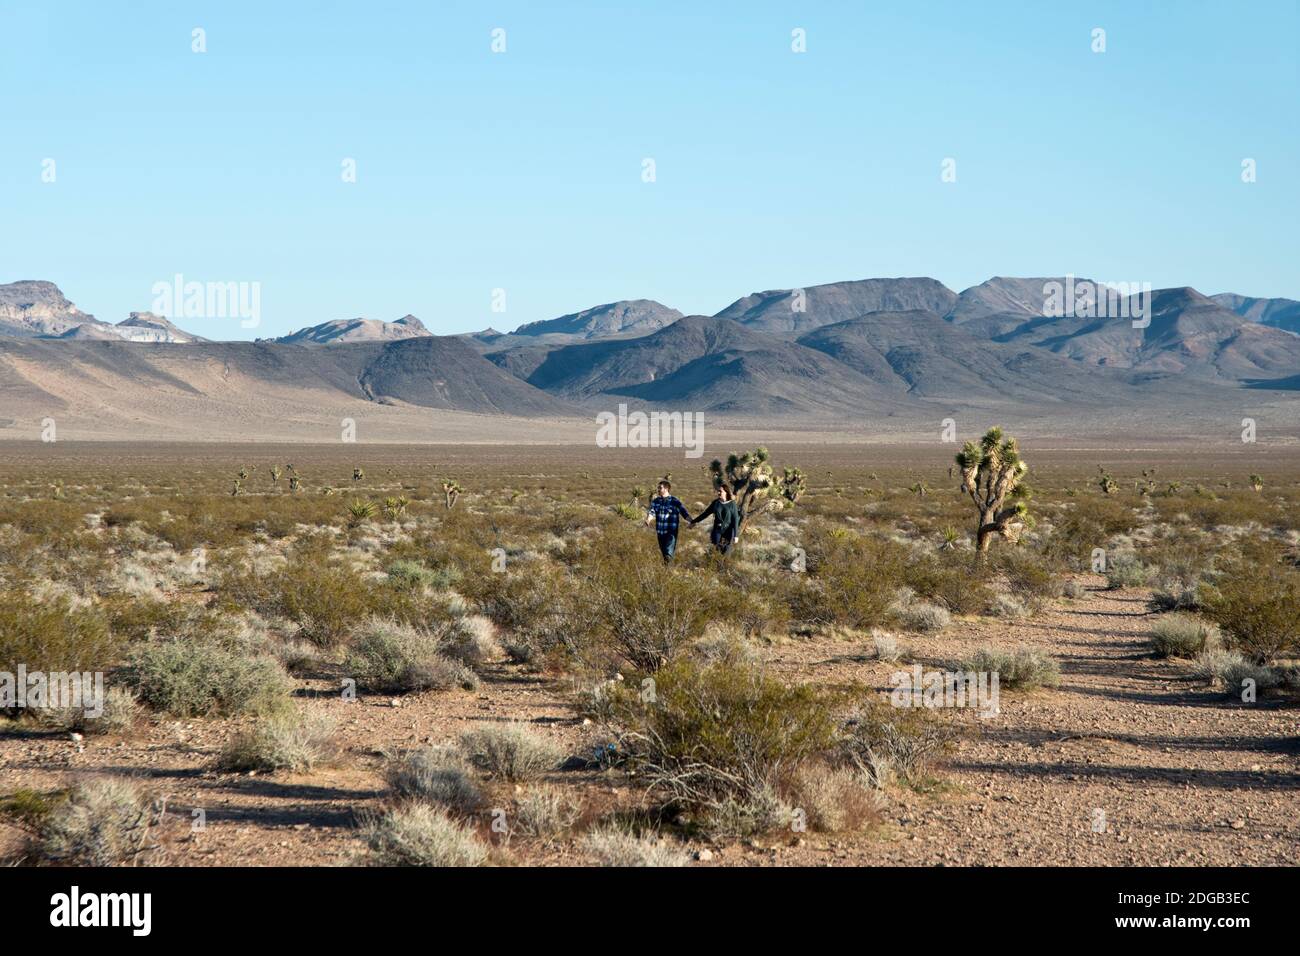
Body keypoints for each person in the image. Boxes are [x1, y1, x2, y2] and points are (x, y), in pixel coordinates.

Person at [644, 479, 692, 562]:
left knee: (668, 553)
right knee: (664, 554)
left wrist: (691, 521)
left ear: (666, 489)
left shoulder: (674, 501)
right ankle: (668, 571)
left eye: (660, 488)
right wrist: (648, 520)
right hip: (660, 532)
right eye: (658, 488)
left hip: (671, 532)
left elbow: (683, 512)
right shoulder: (656, 501)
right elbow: (652, 512)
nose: (658, 490)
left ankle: (669, 571)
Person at [691, 485, 742, 554]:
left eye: (720, 491)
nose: (718, 493)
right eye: (718, 491)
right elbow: (705, 514)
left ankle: (724, 563)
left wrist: (736, 535)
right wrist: (694, 521)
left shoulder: (732, 504)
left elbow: (735, 520)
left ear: (726, 492)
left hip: (729, 530)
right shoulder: (716, 503)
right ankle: (713, 562)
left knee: (726, 551)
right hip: (717, 529)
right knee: (715, 549)